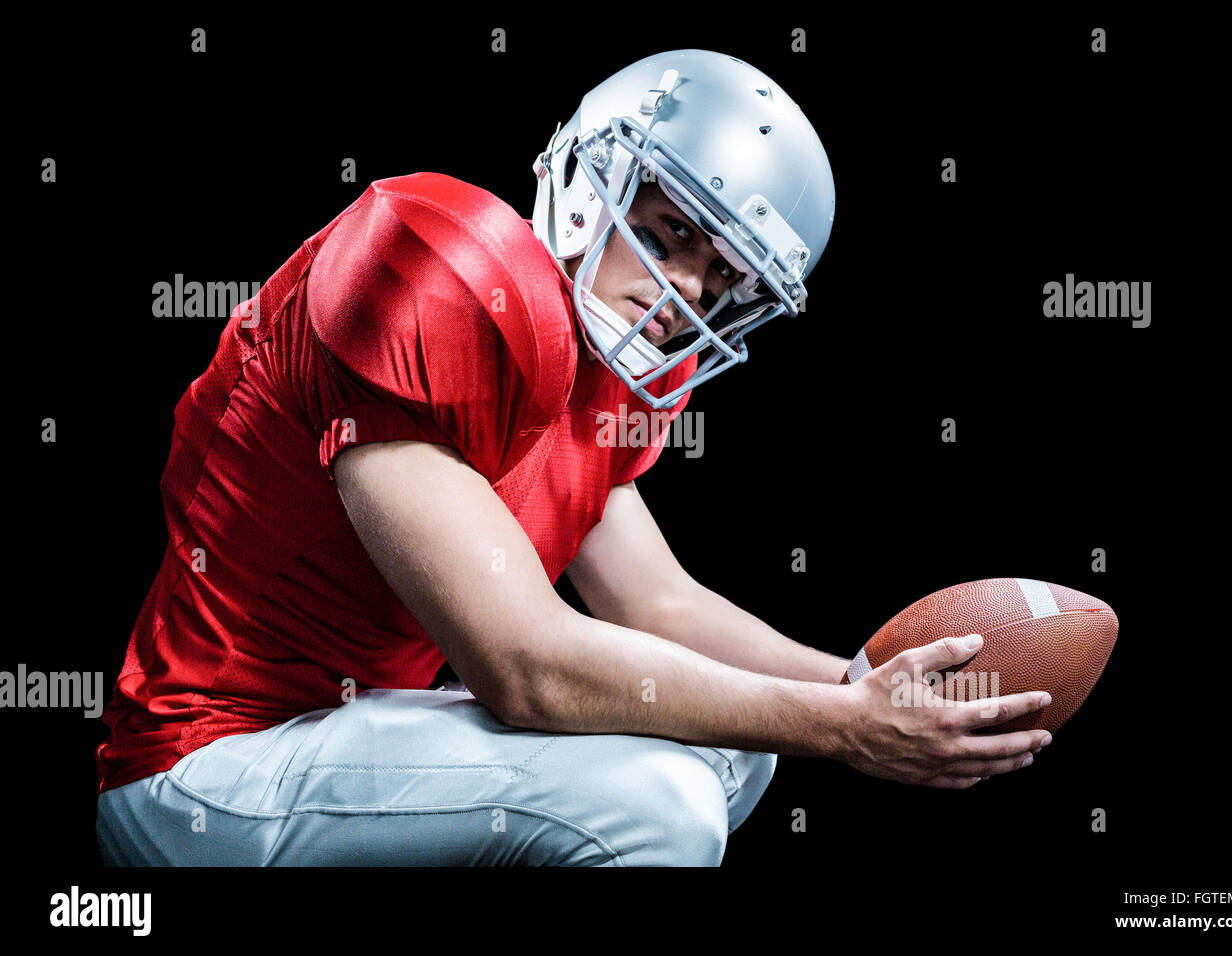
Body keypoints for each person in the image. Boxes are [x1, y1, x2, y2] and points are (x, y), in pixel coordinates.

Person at [95, 49, 1049, 867]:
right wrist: (848, 730)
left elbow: (657, 607)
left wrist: (860, 687)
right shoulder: (436, 272)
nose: (685, 294)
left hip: (350, 733)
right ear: (591, 180)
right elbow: (525, 665)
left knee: (739, 749)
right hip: (210, 763)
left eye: (720, 280)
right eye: (673, 237)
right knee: (658, 798)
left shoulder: (601, 378)